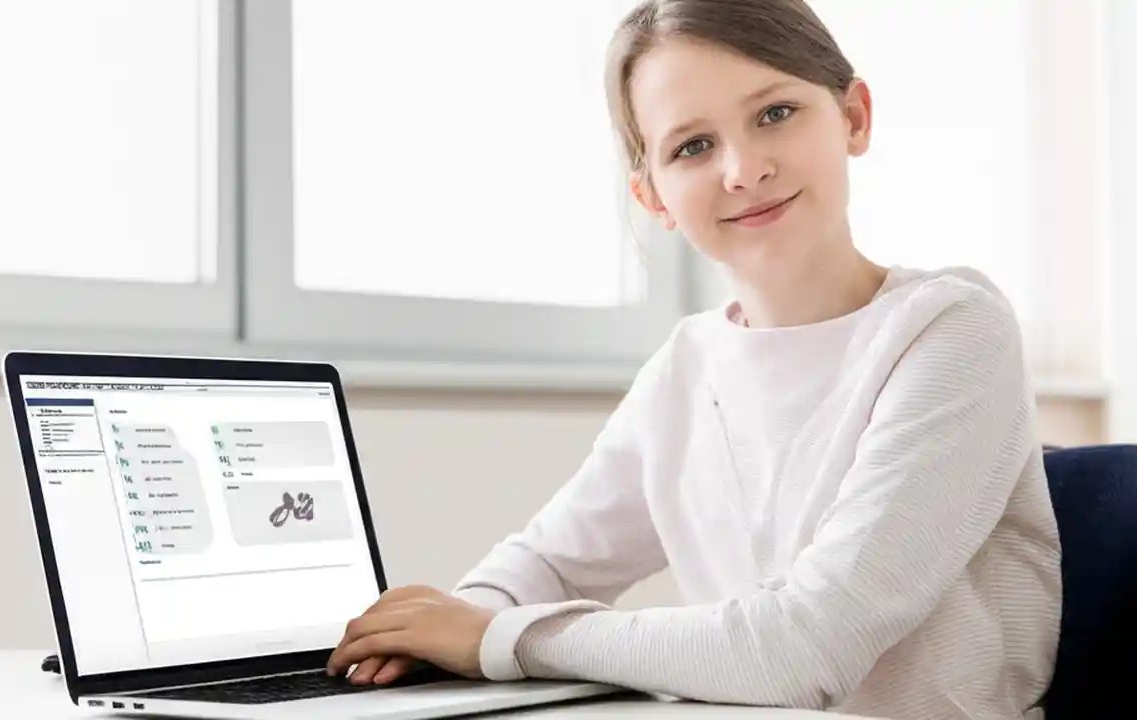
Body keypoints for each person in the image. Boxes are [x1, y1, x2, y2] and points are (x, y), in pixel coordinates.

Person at [325, 1, 1062, 717]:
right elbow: (545, 565)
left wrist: (496, 637)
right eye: (692, 147)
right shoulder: (687, 368)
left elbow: (810, 648)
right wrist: (441, 634)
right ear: (654, 197)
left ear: (854, 117)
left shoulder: (953, 330)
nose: (742, 169)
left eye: (775, 113)